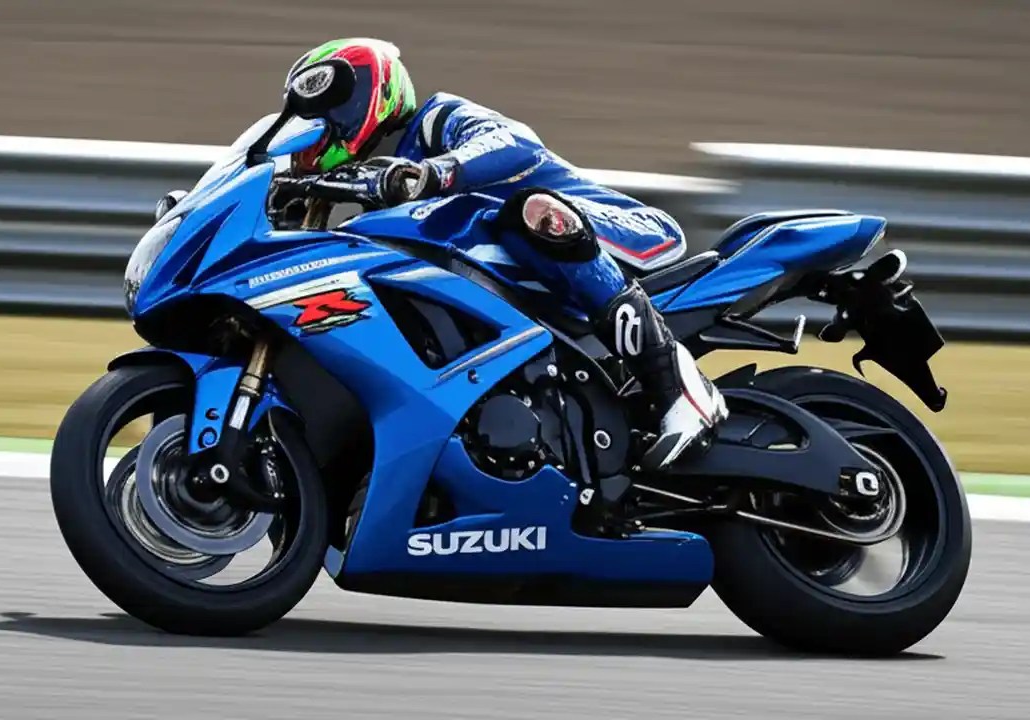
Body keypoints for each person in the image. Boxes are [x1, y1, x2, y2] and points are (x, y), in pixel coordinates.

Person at [283, 37, 727, 470]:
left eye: (328, 108)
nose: (316, 129)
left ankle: (675, 384)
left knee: (532, 212)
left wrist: (435, 172)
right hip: (534, 289)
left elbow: (514, 144)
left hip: (624, 233)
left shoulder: (437, 120)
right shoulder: (358, 190)